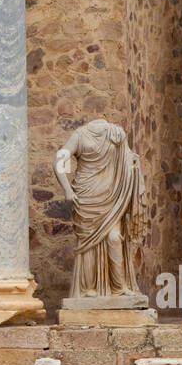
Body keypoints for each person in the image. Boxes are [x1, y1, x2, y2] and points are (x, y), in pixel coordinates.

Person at [53, 118, 147, 299]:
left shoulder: (116, 133)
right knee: (87, 244)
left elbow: (128, 160)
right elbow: (59, 159)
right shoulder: (80, 135)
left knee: (114, 238)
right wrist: (67, 189)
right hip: (86, 196)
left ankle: (119, 287)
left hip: (110, 197)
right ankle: (87, 289)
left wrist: (134, 165)